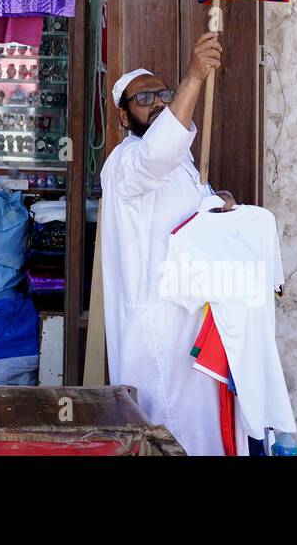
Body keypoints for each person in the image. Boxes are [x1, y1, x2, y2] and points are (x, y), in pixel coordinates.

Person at [100, 31, 236, 456]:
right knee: (167, 435)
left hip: (193, 325)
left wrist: (220, 203)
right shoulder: (126, 164)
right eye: (144, 99)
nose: (157, 102)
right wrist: (194, 77)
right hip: (157, 330)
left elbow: (191, 214)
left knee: (200, 434)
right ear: (124, 118)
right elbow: (156, 155)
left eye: (162, 93)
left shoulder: (182, 165)